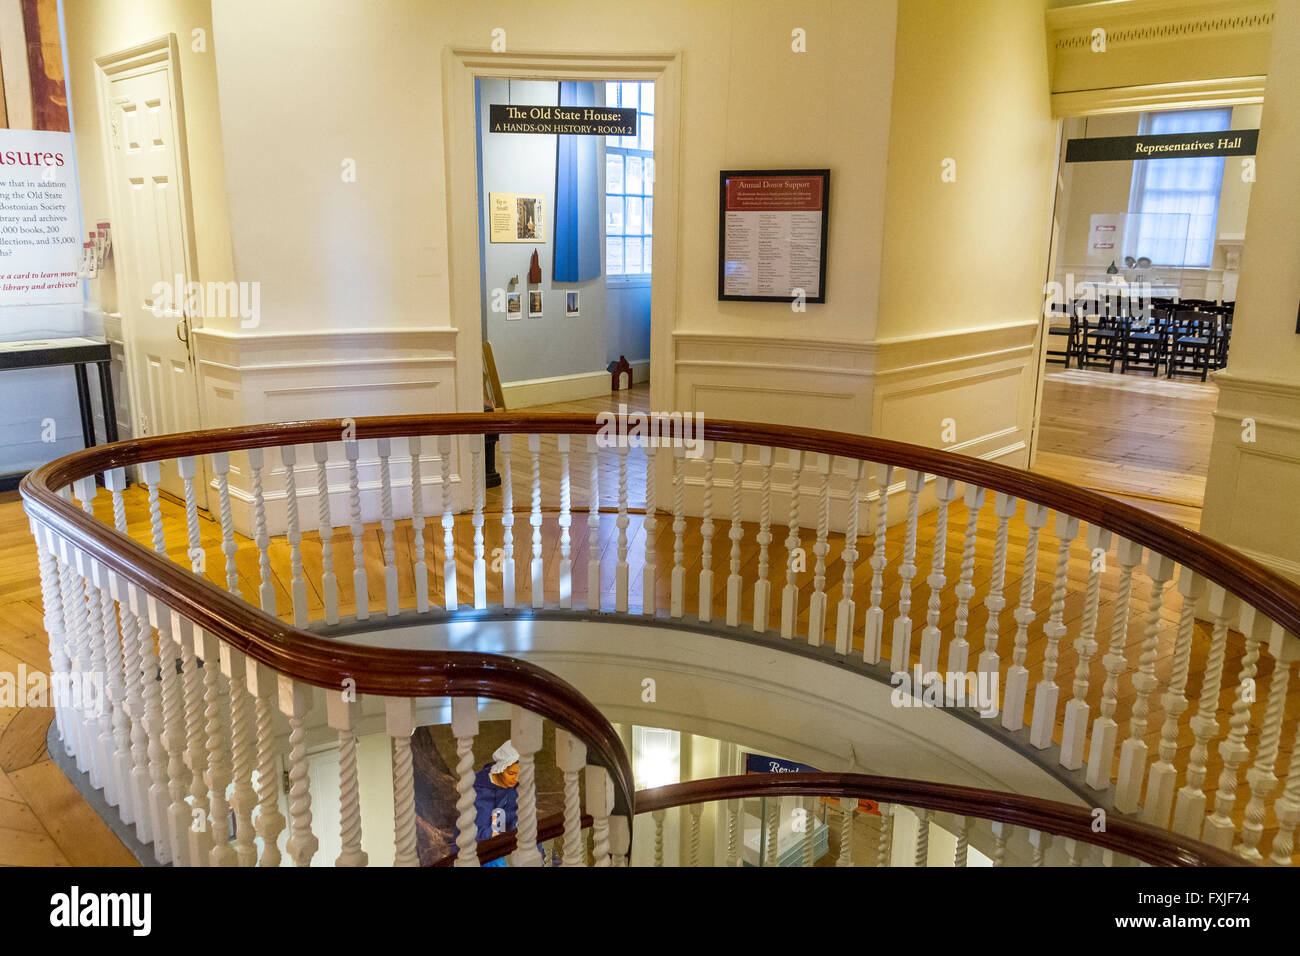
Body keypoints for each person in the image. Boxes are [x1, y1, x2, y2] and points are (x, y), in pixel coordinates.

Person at [473, 741, 522, 866]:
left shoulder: (517, 787)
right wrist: (495, 833)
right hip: (485, 848)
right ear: (500, 769)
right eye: (511, 774)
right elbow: (479, 831)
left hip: (509, 843)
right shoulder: (479, 789)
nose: (516, 779)